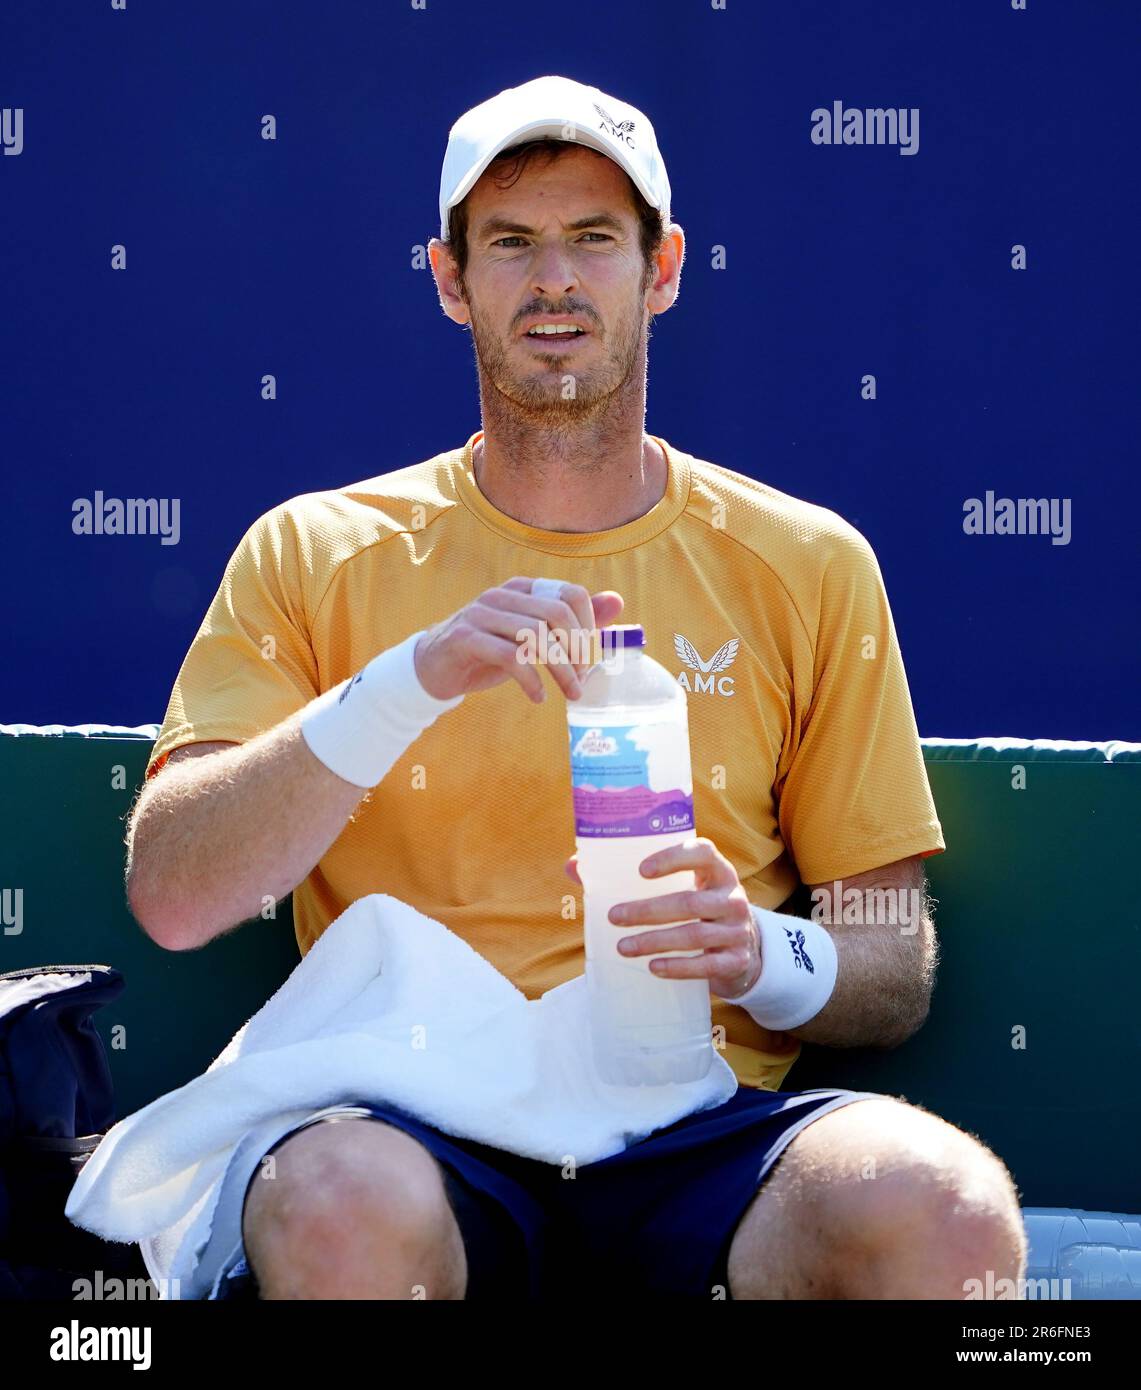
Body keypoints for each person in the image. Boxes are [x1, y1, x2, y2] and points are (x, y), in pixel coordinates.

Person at [125, 75, 1026, 1300]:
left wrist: (758, 951)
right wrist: (410, 680)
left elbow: (889, 951)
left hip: (698, 1132)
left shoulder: (809, 561)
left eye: (594, 239)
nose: (555, 281)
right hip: (405, 1113)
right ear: (450, 280)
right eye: (511, 244)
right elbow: (174, 891)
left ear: (661, 272)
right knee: (337, 1205)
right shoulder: (313, 550)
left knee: (943, 1209)